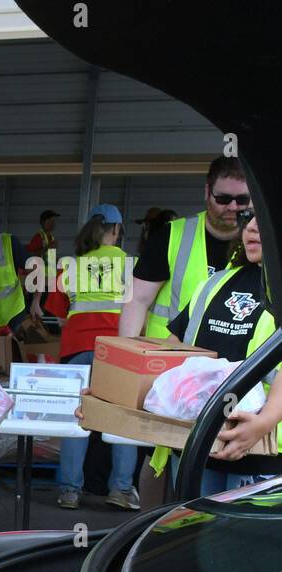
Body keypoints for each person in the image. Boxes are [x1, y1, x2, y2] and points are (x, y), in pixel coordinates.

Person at [165, 212, 280, 495]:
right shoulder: (212, 284)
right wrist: (111, 394)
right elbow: (168, 353)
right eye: (248, 216)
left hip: (260, 454)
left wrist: (263, 423)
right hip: (195, 447)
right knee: (189, 538)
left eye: (263, 213)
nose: (252, 225)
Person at [55, 205, 140, 510]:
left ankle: (69, 491)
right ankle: (120, 489)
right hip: (117, 352)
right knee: (122, 420)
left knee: (78, 419)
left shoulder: (71, 265)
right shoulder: (133, 266)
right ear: (117, 230)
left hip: (77, 347)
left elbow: (60, 315)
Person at [120, 156, 249, 338]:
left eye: (242, 199)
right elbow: (137, 300)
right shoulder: (171, 235)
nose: (233, 207)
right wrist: (126, 354)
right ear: (207, 192)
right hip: (169, 359)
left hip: (237, 363)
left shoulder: (264, 242)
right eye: (223, 199)